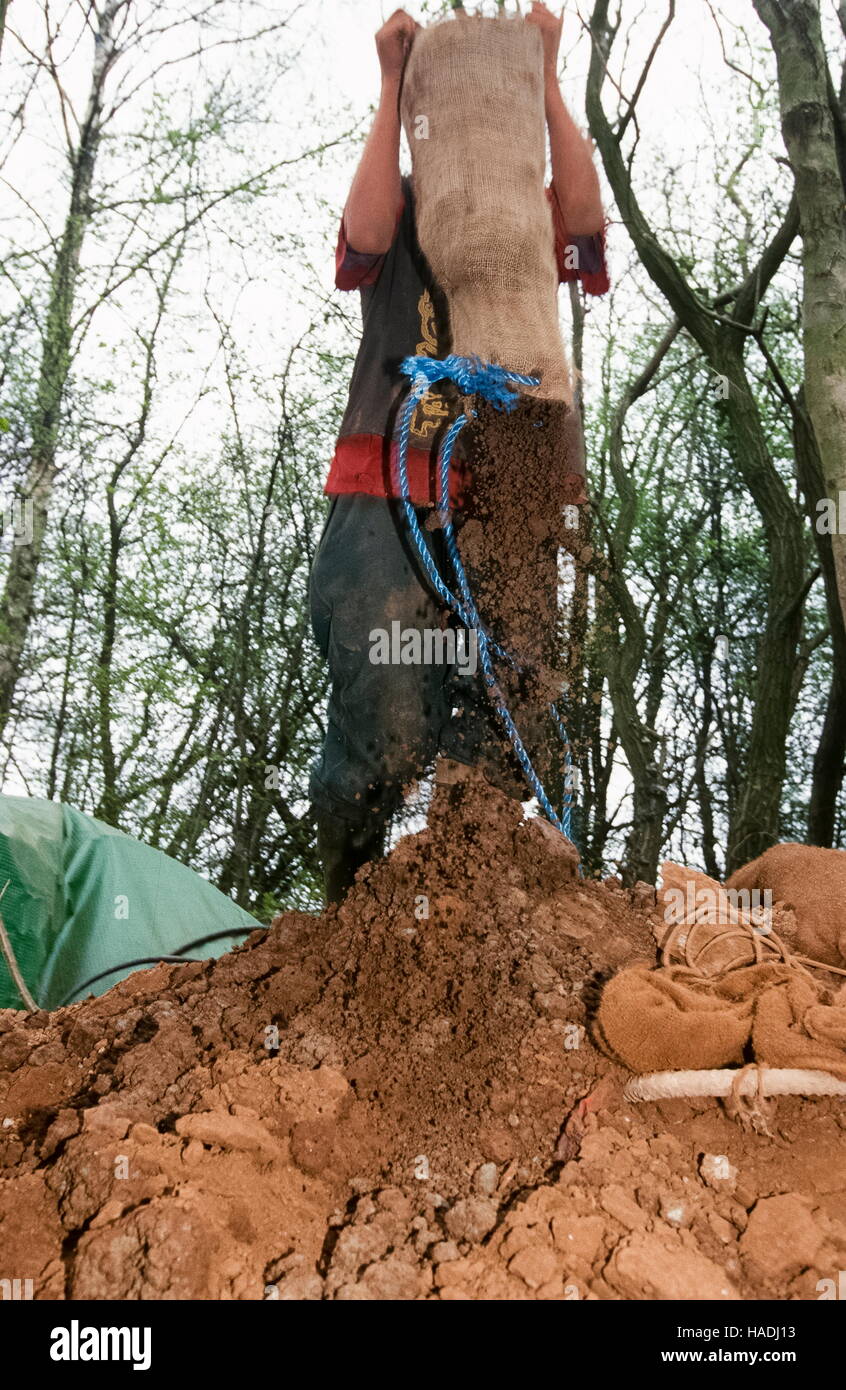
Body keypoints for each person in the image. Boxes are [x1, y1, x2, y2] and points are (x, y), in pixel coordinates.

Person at [309, 3, 609, 903]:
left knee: (503, 720)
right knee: (388, 728)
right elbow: (360, 236)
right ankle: (344, 900)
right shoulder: (399, 213)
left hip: (506, 502)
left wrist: (544, 74)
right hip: (388, 494)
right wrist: (395, 86)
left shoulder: (526, 225)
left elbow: (589, 219)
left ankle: (477, 923)